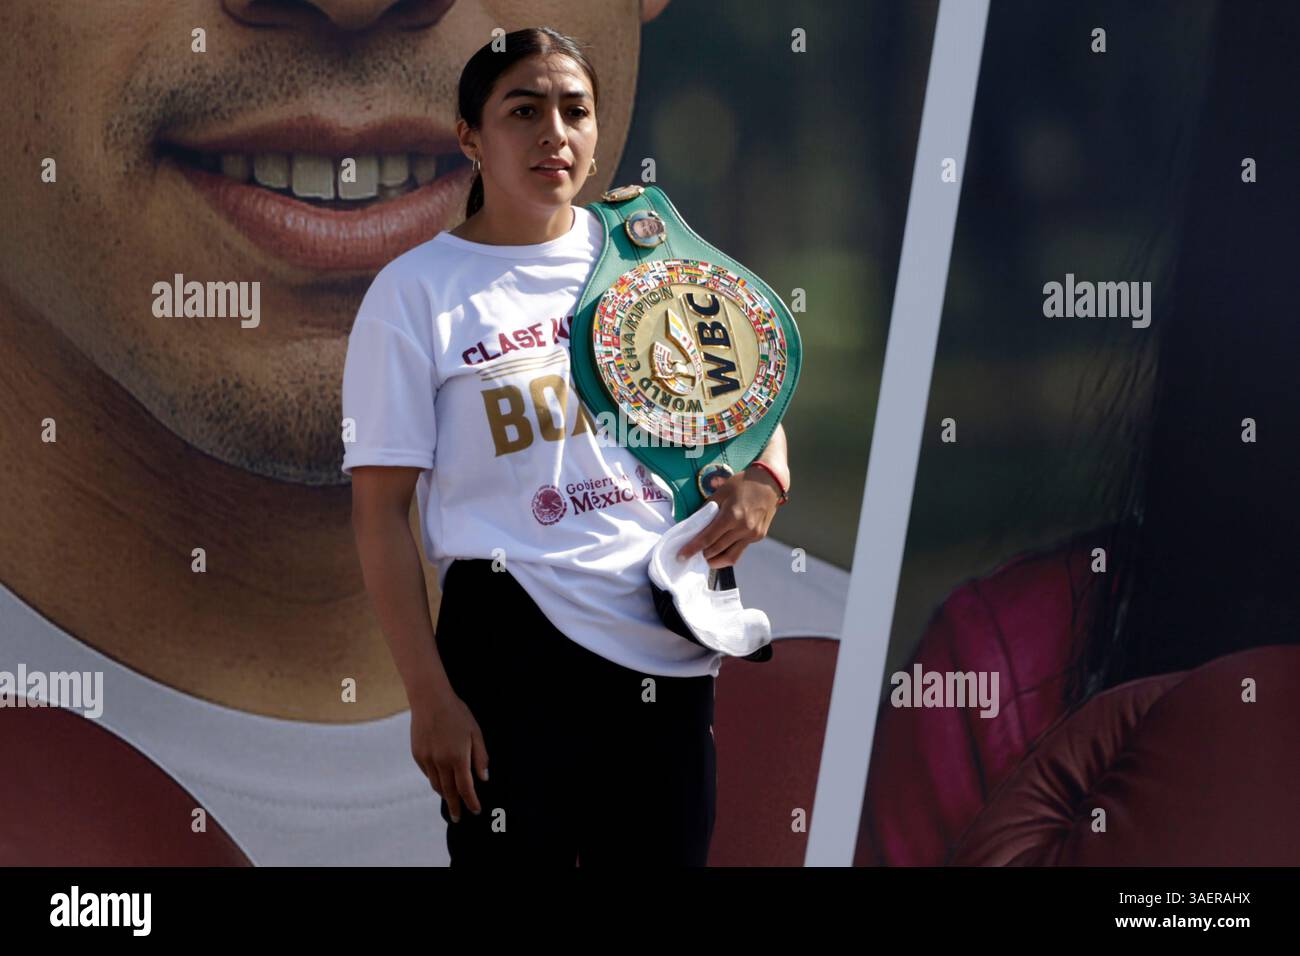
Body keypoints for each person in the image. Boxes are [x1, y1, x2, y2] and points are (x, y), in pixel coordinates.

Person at [342, 27, 792, 866]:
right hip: (509, 647)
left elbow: (746, 400)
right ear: (470, 137)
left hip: (669, 639)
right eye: (524, 109)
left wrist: (763, 483)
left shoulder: (640, 255)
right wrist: (429, 698)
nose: (555, 132)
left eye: (574, 110)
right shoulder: (416, 291)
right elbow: (378, 516)